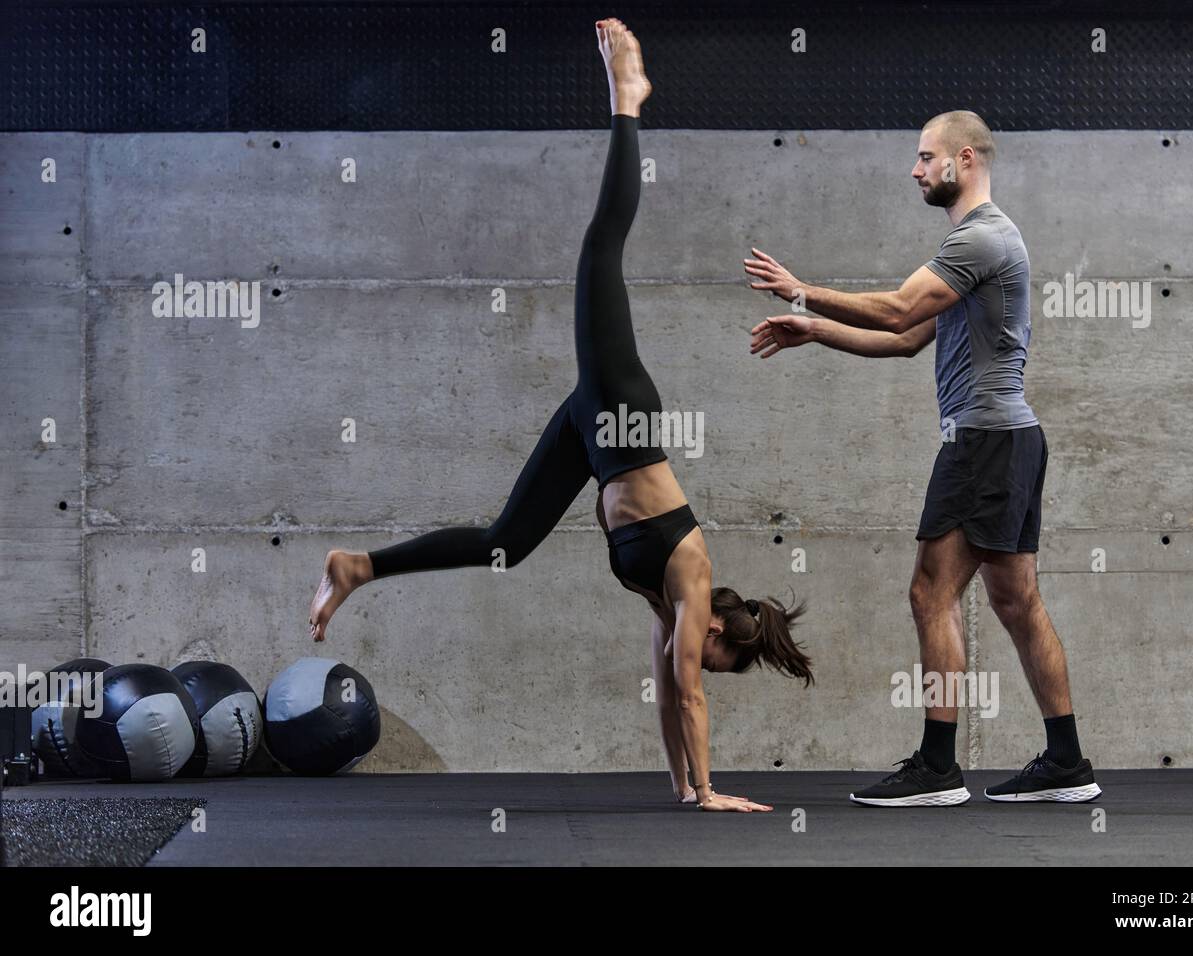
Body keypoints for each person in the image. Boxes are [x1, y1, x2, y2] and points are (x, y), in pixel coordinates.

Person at [310, 18, 812, 812]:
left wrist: (684, 788)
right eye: (707, 656)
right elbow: (689, 697)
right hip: (621, 414)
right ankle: (627, 100)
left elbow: (663, 693)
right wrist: (716, 792)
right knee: (600, 247)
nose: (694, 660)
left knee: (505, 541)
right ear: (715, 633)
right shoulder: (690, 577)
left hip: (594, 432)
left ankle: (359, 566)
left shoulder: (667, 602)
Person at [746, 110, 1100, 806]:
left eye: (924, 156)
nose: (914, 169)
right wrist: (815, 330)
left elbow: (899, 311)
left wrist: (801, 289)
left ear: (963, 160)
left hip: (982, 442)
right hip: (1011, 440)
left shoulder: (983, 238)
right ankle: (1067, 762)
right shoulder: (981, 245)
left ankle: (939, 767)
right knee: (1017, 600)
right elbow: (908, 340)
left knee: (930, 594)